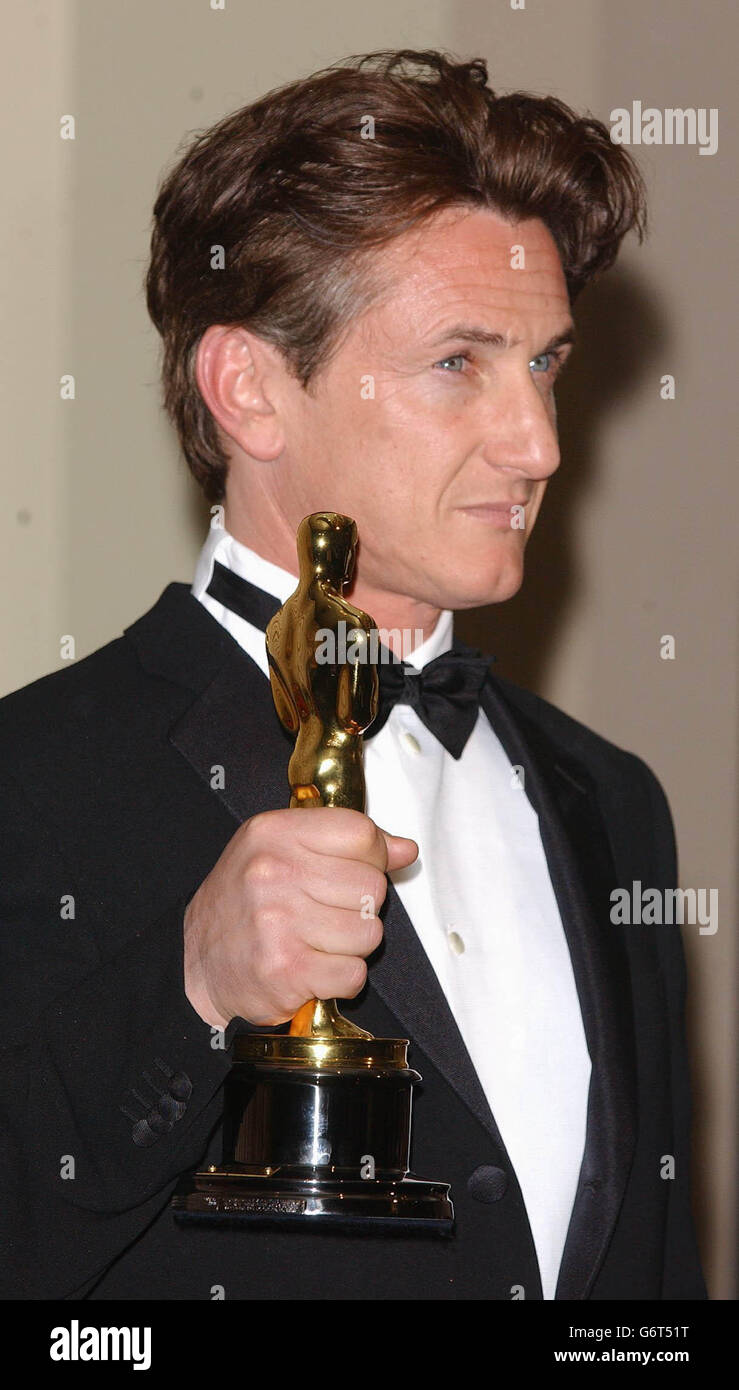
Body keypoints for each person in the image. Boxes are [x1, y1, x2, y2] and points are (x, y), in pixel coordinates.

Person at [0, 48, 705, 1300]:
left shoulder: (614, 802)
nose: (538, 441)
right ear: (252, 389)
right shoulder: (34, 780)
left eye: (544, 362)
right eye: (458, 363)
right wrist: (190, 988)